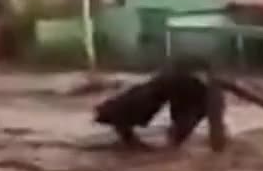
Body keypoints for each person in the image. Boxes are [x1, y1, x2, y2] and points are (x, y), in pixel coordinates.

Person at [93, 57, 226, 150]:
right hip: (173, 88)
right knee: (145, 98)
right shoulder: (165, 83)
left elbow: (216, 125)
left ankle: (172, 140)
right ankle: (128, 135)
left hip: (190, 94)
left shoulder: (208, 92)